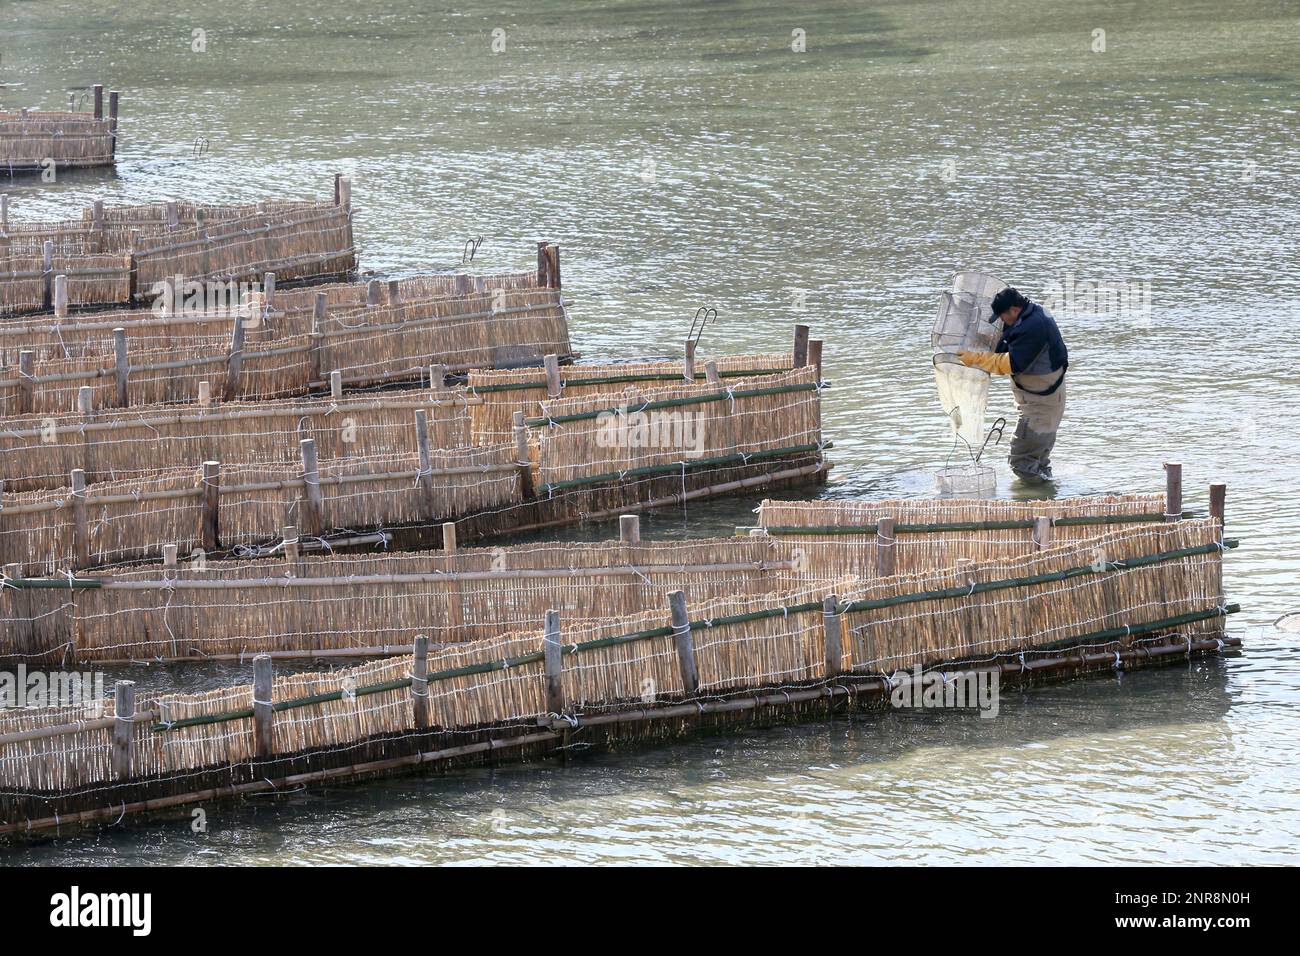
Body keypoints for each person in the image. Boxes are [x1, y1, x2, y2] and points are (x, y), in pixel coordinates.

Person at [959, 287, 1068, 482]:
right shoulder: (1031, 313)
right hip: (1045, 400)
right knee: (1038, 460)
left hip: (1040, 405)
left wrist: (976, 359)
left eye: (1003, 316)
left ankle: (1032, 504)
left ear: (1015, 310)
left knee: (1021, 462)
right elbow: (1007, 342)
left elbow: (1012, 363)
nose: (1002, 321)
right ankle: (1048, 495)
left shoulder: (1033, 326)